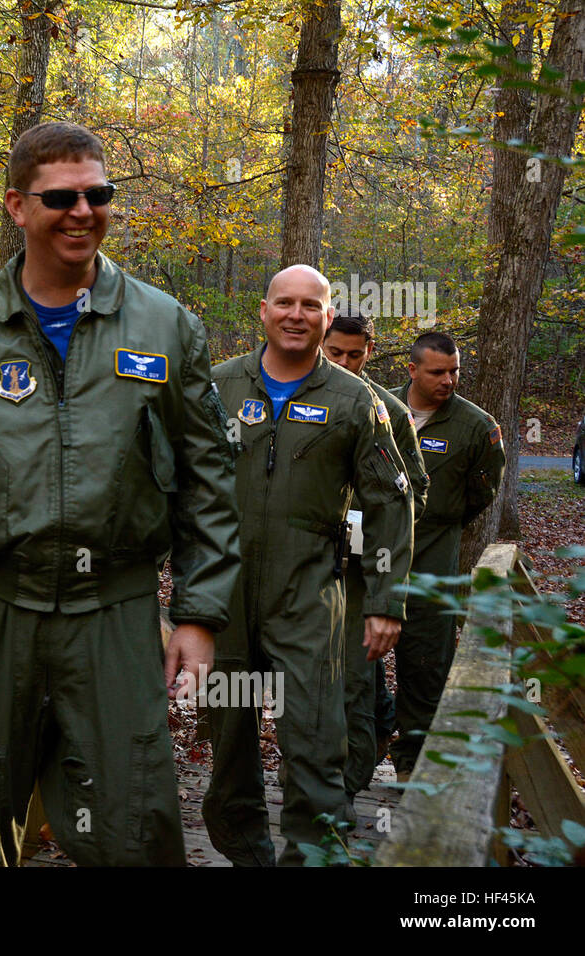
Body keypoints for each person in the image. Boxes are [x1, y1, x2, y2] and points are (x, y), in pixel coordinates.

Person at [0, 121, 241, 866]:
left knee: (137, 814)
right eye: (61, 197)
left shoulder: (166, 327)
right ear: (16, 206)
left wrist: (198, 614)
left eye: (98, 194)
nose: (82, 211)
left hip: (118, 609)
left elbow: (209, 483)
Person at [204, 265, 414, 866]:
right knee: (229, 742)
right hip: (226, 595)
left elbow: (391, 503)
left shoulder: (354, 401)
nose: (296, 315)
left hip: (312, 593)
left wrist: (384, 601)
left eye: (310, 306)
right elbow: (178, 484)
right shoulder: (218, 386)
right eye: (284, 303)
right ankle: (246, 854)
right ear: (264, 311)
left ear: (327, 317)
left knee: (315, 741)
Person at [321, 313, 429, 805]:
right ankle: (311, 772)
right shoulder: (293, 398)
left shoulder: (386, 410)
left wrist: (367, 530)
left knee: (352, 681)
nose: (345, 362)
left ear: (370, 352)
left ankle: (346, 787)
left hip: (360, 572)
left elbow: (414, 492)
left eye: (355, 354)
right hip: (302, 568)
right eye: (335, 353)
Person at [388, 331, 506, 780]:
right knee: (352, 655)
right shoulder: (377, 406)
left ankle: (412, 766)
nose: (449, 380)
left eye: (455, 370)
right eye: (438, 372)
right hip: (368, 554)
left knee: (425, 663)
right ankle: (372, 731)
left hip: (432, 560)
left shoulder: (476, 426)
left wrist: (440, 517)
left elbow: (482, 492)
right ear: (413, 369)